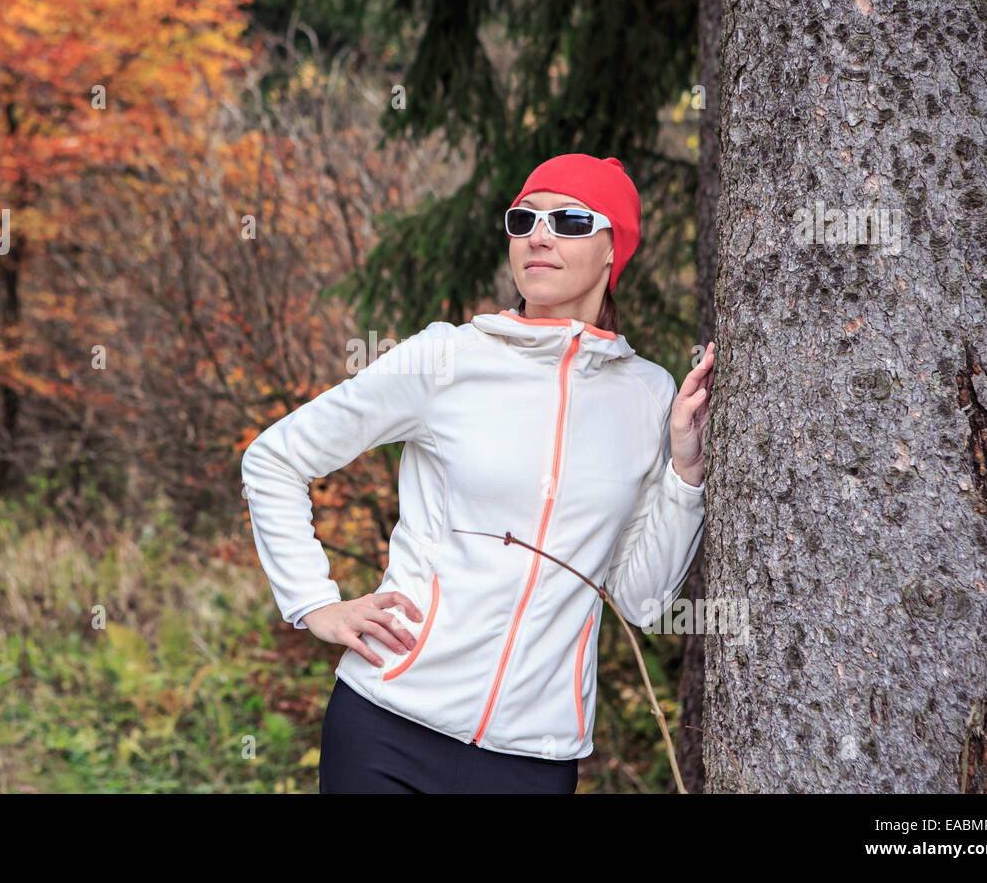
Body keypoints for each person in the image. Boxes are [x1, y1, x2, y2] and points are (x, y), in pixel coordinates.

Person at [241, 153, 715, 793]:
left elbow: (640, 599)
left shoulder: (652, 397)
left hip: (533, 758)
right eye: (525, 220)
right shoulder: (446, 359)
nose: (539, 235)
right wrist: (313, 604)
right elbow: (274, 458)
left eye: (570, 221)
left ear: (614, 249)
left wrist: (685, 477)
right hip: (386, 725)